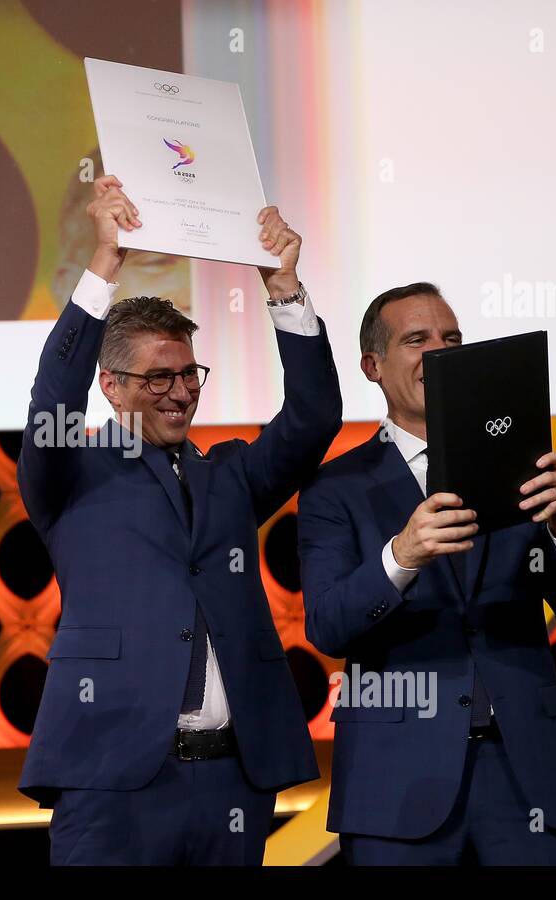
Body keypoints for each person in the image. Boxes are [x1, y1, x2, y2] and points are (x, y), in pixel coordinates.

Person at [17, 176, 342, 865]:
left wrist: (283, 289)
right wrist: (104, 263)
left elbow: (314, 420)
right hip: (112, 779)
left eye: (191, 374)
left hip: (231, 780)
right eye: (159, 378)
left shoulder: (230, 477)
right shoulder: (69, 473)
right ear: (111, 385)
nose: (181, 393)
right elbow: (53, 392)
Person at [296, 282, 556, 865]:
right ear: (372, 366)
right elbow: (327, 626)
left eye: (451, 339)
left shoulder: (526, 467)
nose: (439, 351)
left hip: (529, 778)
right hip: (396, 785)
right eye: (416, 339)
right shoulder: (334, 488)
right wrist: (401, 558)